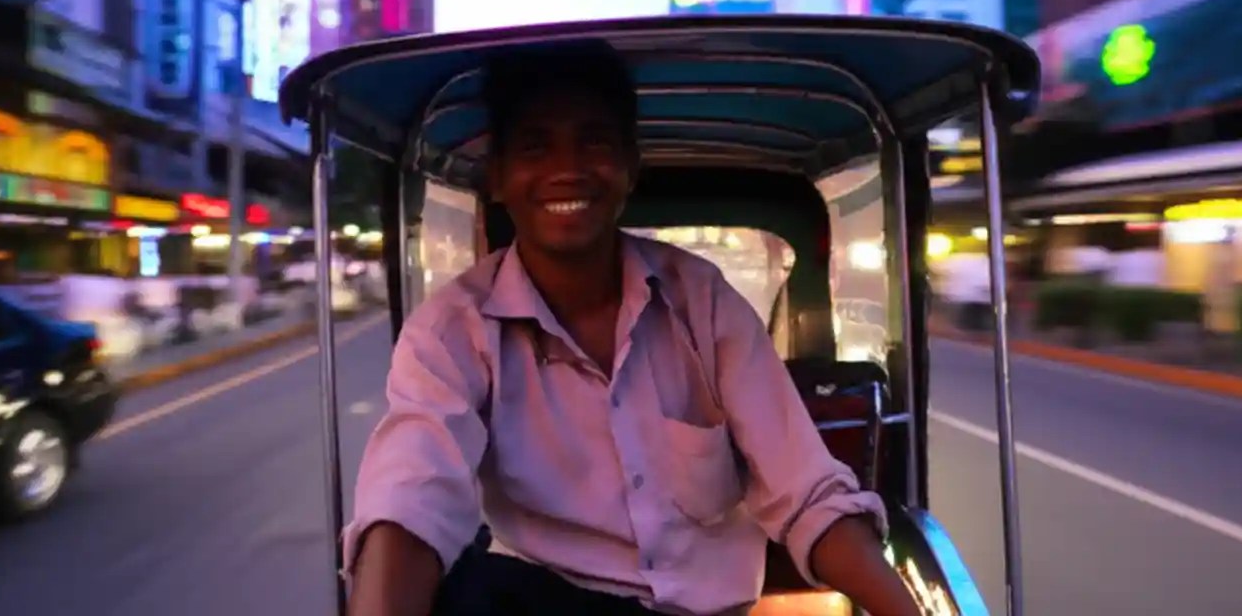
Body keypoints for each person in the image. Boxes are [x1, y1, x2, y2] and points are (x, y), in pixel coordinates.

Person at [344, 42, 921, 616]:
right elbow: (413, 494)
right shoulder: (453, 330)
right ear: (498, 178)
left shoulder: (701, 301)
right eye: (534, 146)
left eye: (593, 141)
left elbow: (806, 491)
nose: (566, 169)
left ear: (629, 168)